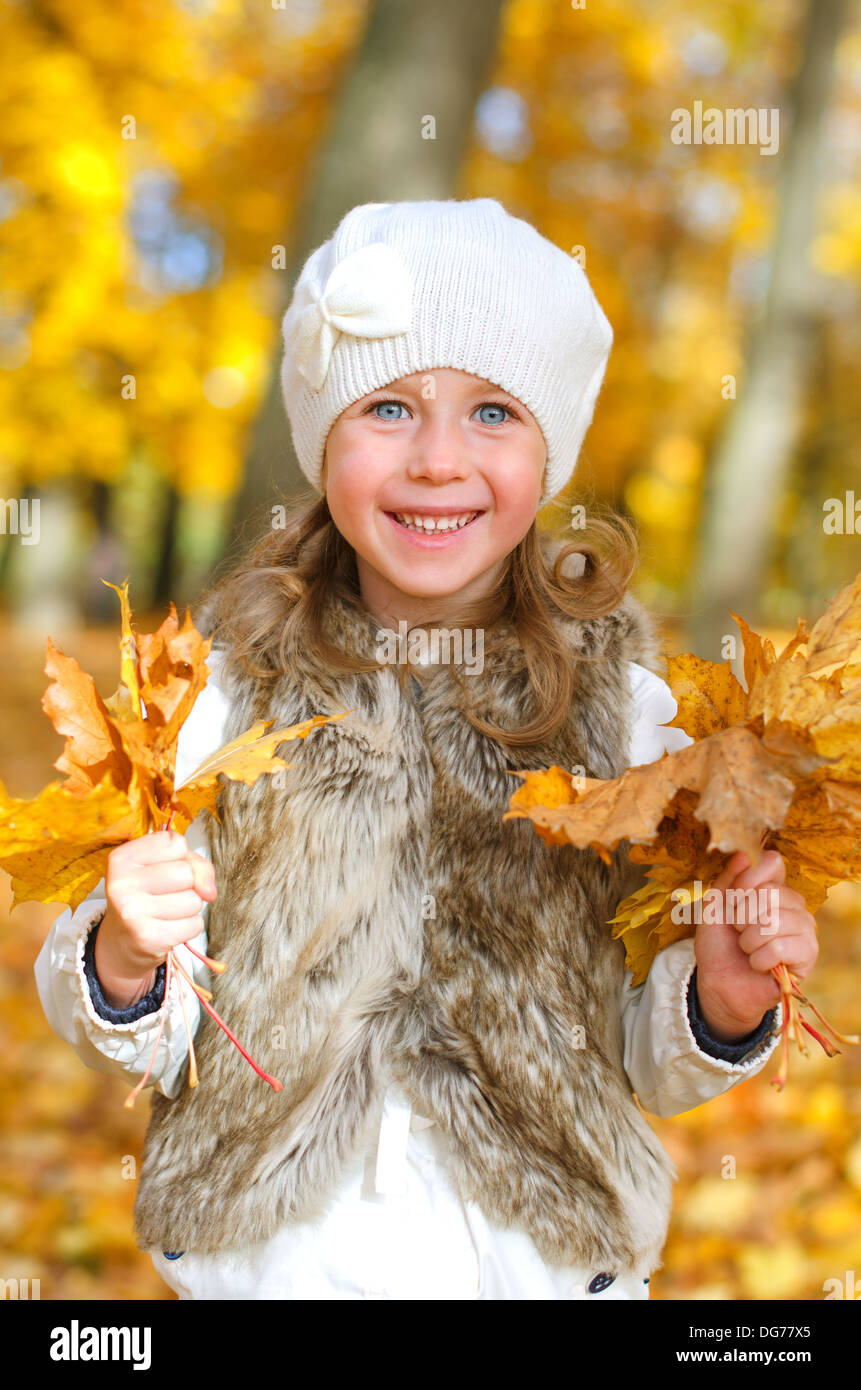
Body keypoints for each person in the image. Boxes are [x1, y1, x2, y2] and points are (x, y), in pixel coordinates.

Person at [35, 198, 818, 1300]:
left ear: (551, 450)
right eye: (390, 406)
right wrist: (121, 960)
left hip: (539, 1273)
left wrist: (720, 1006)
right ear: (322, 439)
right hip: (271, 1272)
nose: (440, 460)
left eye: (494, 412)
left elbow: (645, 1056)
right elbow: (153, 1036)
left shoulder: (636, 730)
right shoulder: (216, 701)